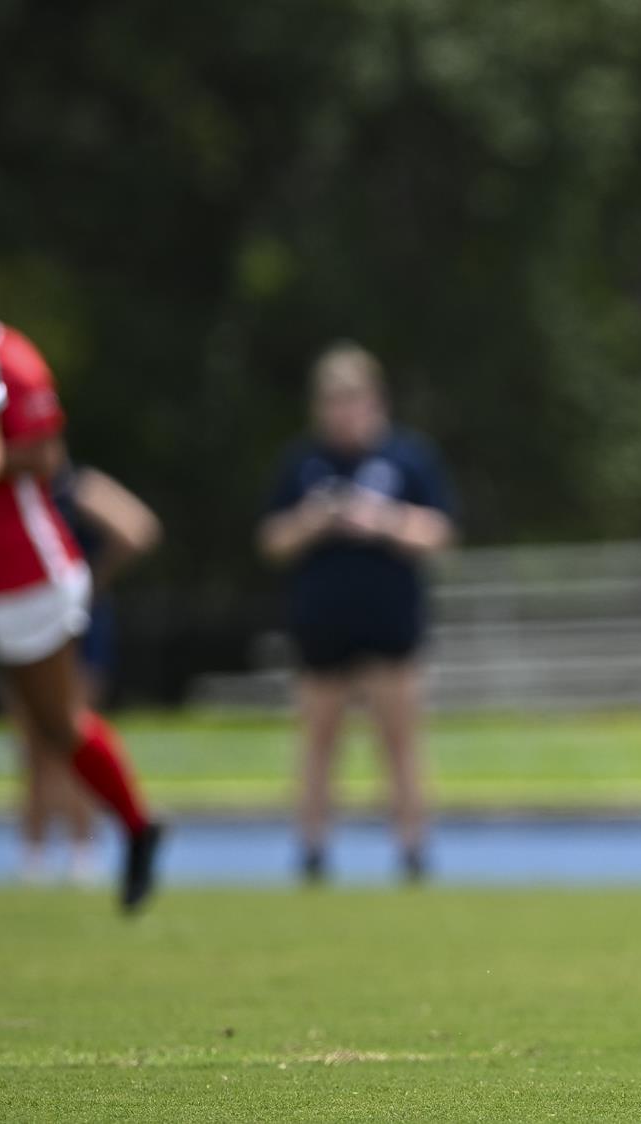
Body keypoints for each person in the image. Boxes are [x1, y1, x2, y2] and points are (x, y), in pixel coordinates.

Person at [259, 343, 457, 884]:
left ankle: (414, 852)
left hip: (391, 627)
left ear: (376, 401)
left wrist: (383, 523)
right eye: (332, 401)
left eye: (353, 399)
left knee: (400, 744)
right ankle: (312, 854)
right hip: (321, 628)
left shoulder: (407, 458)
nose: (343, 412)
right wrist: (314, 521)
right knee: (317, 746)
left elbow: (440, 532)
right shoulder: (303, 464)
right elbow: (272, 541)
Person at [0, 320, 164, 911]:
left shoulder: (12, 361)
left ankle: (138, 828)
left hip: (21, 578)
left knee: (57, 726)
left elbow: (44, 453)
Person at [10, 464, 160, 883]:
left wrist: (89, 579)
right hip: (27, 616)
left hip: (71, 618)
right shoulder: (20, 494)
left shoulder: (74, 487)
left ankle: (81, 851)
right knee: (34, 741)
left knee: (67, 734)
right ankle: (36, 854)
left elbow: (137, 530)